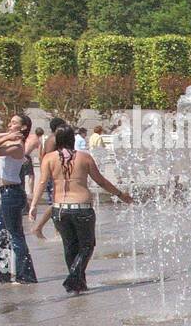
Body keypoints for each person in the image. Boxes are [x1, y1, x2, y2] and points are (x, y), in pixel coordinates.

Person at [28, 125, 133, 294]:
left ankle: (78, 284)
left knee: (70, 247)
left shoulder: (48, 158)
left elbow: (42, 183)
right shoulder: (84, 157)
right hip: (82, 208)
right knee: (87, 246)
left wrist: (33, 205)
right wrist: (120, 194)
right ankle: (74, 277)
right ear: (72, 139)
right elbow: (101, 181)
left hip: (59, 210)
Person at [0, 113, 38, 285]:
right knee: (2, 234)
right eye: (10, 122)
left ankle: (25, 274)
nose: (10, 124)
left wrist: (10, 137)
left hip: (12, 193)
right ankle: (2, 272)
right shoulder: (11, 141)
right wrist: (7, 135)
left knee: (15, 235)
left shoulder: (17, 146)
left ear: (24, 128)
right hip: (7, 193)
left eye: (14, 123)